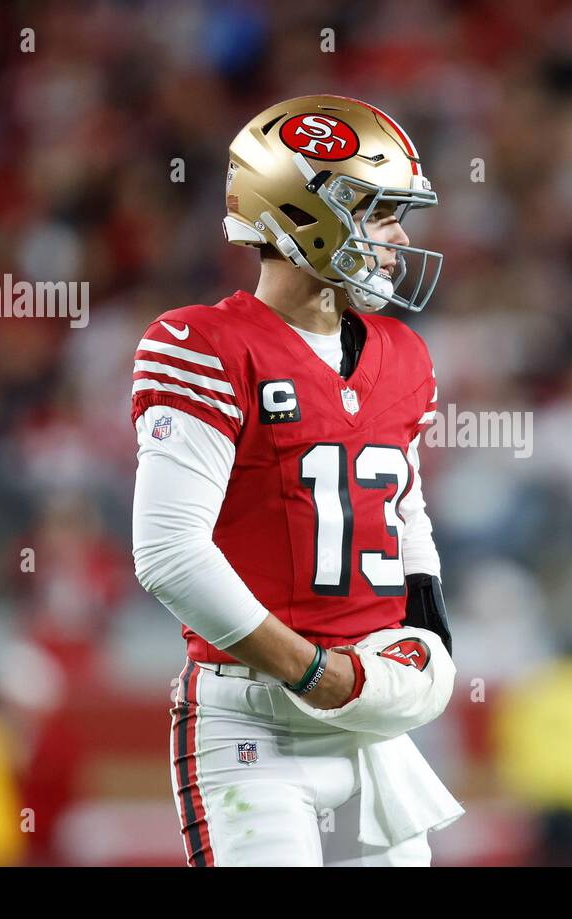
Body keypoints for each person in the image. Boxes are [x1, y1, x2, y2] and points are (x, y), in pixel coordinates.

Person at [131, 95, 460, 866]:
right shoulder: (202, 343)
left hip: (371, 722)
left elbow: (404, 511)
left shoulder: (404, 354)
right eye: (379, 214)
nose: (399, 238)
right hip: (256, 722)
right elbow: (169, 552)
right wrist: (313, 671)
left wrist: (426, 636)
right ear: (308, 213)